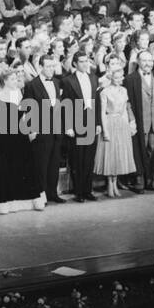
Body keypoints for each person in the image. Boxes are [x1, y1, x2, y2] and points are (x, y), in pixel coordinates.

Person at [25, 55, 65, 203]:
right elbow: (29, 109)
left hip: (56, 129)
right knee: (41, 164)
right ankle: (41, 195)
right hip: (41, 130)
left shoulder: (56, 82)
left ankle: (53, 193)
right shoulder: (32, 85)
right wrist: (33, 130)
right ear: (40, 67)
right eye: (48, 66)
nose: (51, 69)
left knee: (54, 163)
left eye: (53, 66)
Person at [94, 59, 137, 197]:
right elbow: (102, 112)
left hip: (121, 124)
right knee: (110, 156)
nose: (120, 79)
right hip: (110, 123)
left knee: (119, 155)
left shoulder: (124, 90)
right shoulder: (104, 92)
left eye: (121, 77)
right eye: (117, 77)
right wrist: (105, 131)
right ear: (111, 77)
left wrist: (128, 125)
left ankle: (115, 184)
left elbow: (124, 109)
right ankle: (110, 186)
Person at [127, 49, 154, 190]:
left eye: (150, 61)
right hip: (139, 122)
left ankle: (151, 178)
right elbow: (128, 104)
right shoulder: (130, 79)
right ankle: (140, 179)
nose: (147, 64)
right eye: (144, 60)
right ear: (138, 62)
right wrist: (131, 121)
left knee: (153, 149)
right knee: (139, 150)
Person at [63, 51, 102, 201]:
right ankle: (79, 191)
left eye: (86, 61)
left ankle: (87, 190)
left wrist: (98, 123)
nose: (85, 64)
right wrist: (68, 126)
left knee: (89, 157)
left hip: (91, 119)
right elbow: (65, 106)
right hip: (76, 120)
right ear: (75, 64)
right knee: (77, 158)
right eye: (81, 61)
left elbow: (97, 103)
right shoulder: (68, 81)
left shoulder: (94, 78)